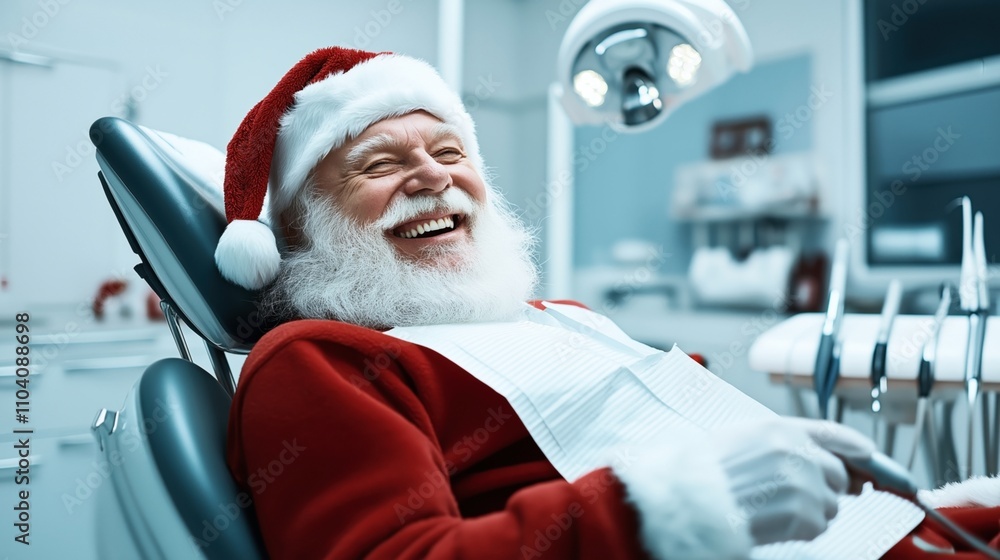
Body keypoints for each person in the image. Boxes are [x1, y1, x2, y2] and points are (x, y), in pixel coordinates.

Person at [218, 47, 1000, 559]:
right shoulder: (321, 360)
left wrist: (925, 508)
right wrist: (673, 508)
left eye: (451, 152)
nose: (434, 177)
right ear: (299, 224)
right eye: (380, 163)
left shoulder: (560, 319)